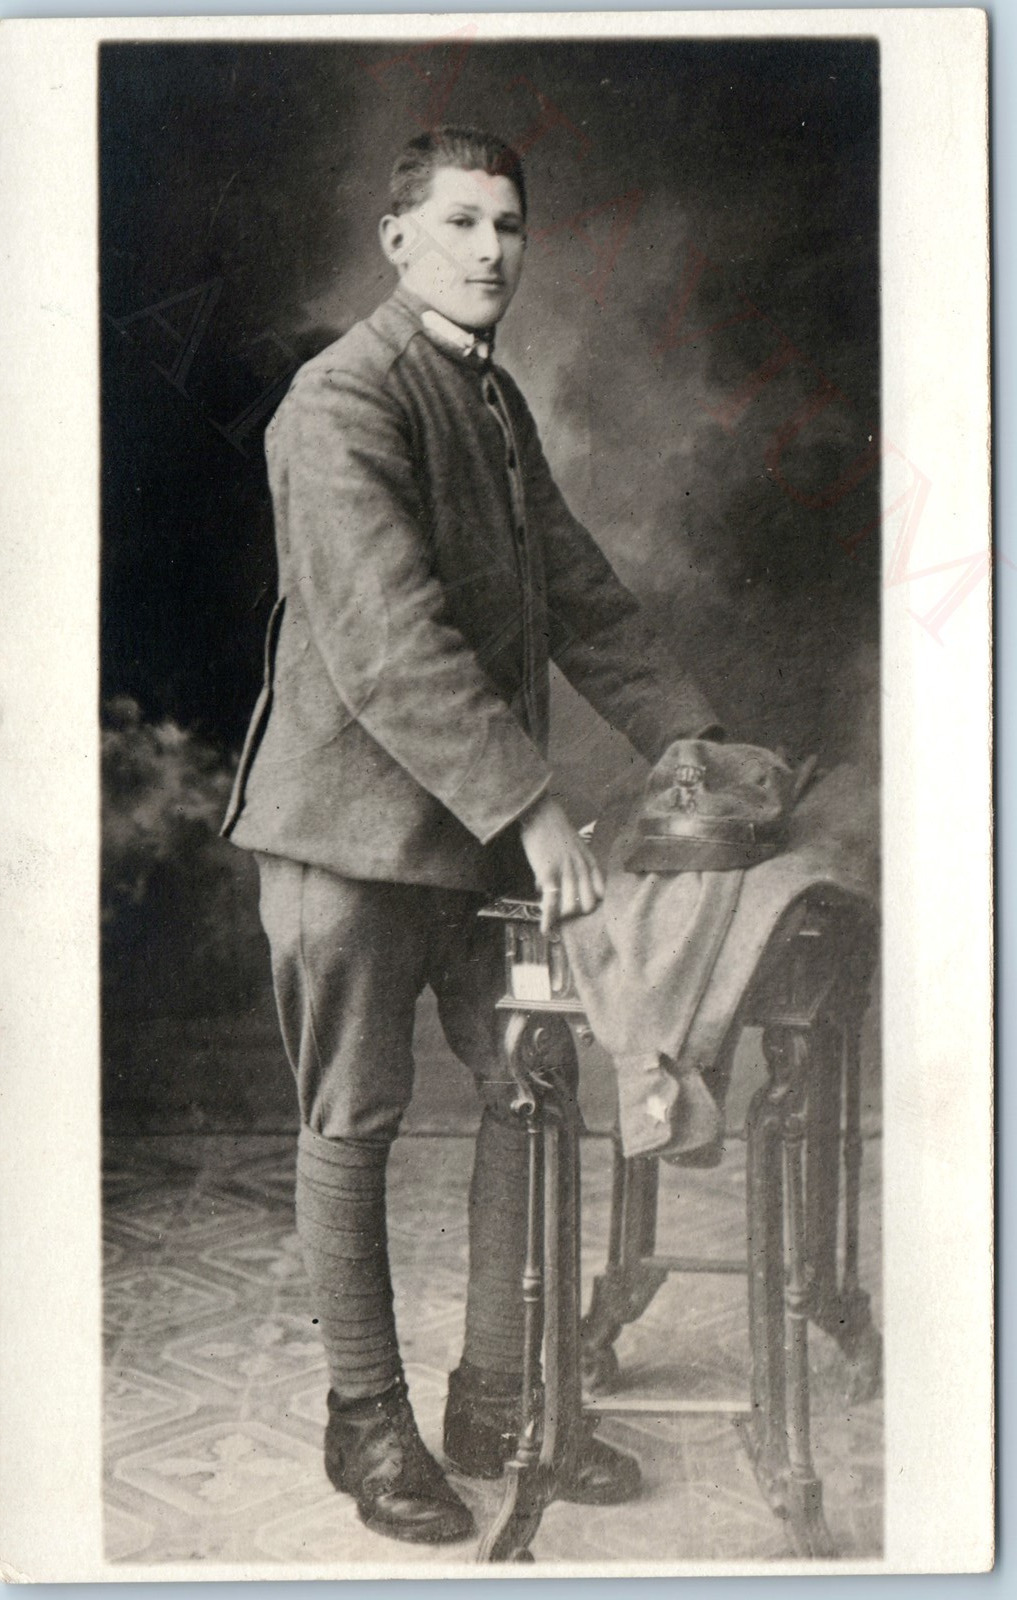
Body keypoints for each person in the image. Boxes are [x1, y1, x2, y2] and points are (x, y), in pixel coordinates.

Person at [222, 126, 721, 1545]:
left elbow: (581, 595)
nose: (490, 249)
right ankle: (363, 1420)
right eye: (459, 223)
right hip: (353, 836)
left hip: (478, 839)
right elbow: (390, 646)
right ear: (397, 241)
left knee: (528, 1086)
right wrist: (536, 804)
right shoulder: (341, 401)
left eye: (508, 224)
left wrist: (695, 737)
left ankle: (497, 1399)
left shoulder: (488, 404)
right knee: (353, 1119)